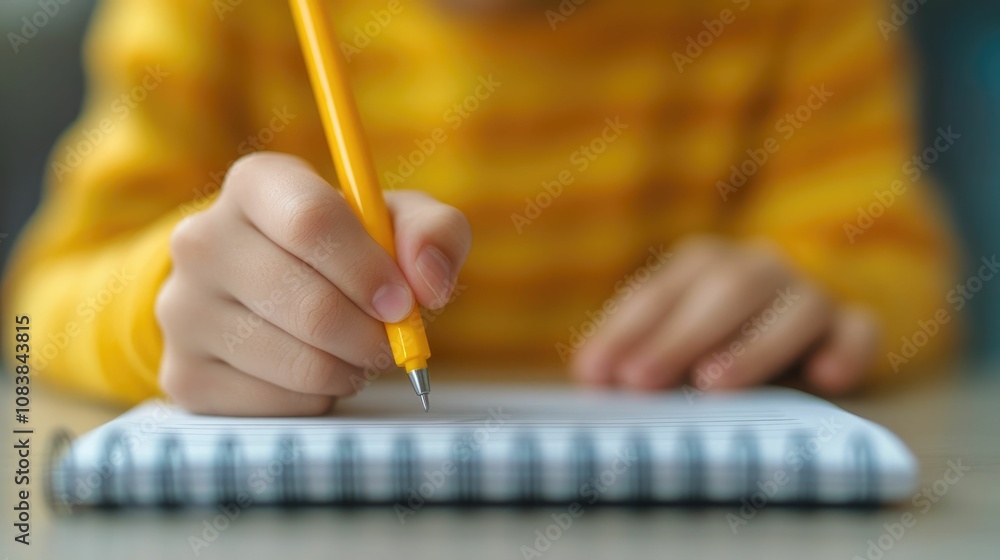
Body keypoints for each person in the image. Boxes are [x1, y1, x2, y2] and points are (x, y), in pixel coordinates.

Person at [2, 0, 960, 415]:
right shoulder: (216, 18)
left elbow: (909, 274)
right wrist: (168, 312)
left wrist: (820, 298)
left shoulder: (793, 17)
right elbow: (35, 309)